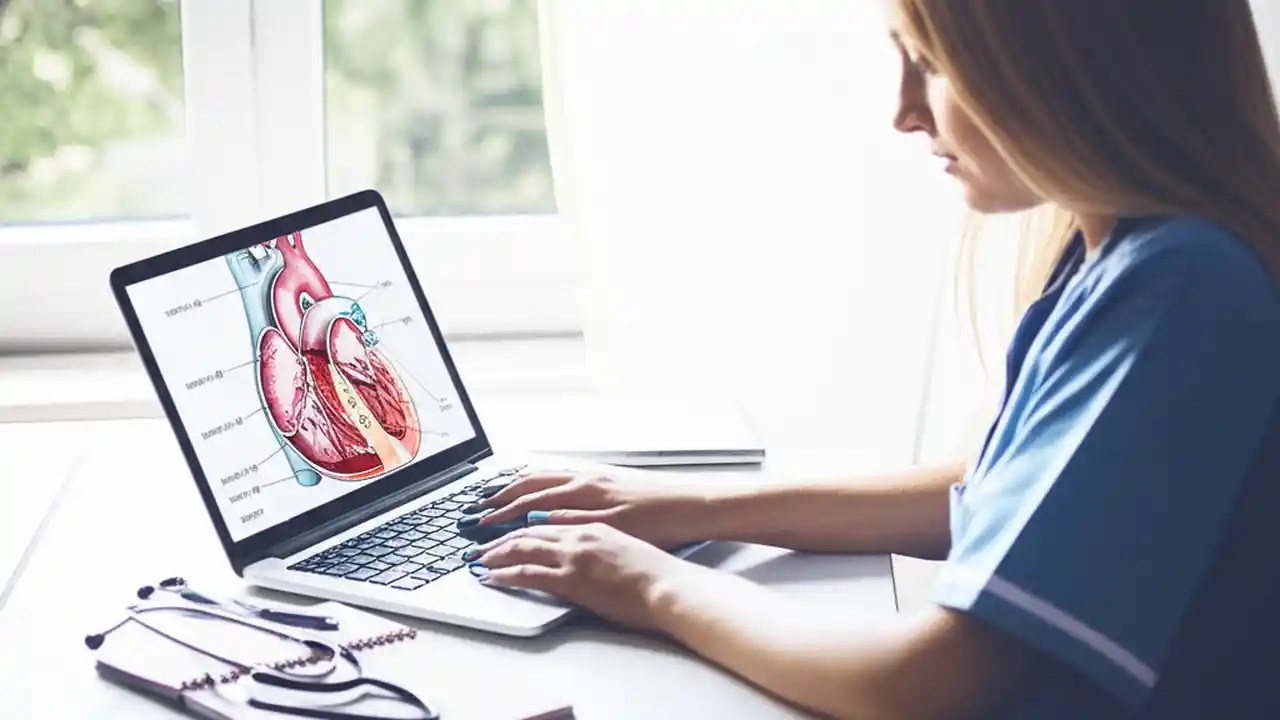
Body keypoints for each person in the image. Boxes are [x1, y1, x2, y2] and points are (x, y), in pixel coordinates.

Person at [457, 2, 1280, 718]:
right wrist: (693, 507)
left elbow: (921, 683)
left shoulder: (1183, 287)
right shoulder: (1133, 254)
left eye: (931, 63)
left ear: (1072, 65)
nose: (904, 111)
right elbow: (989, 494)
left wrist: (648, 585)